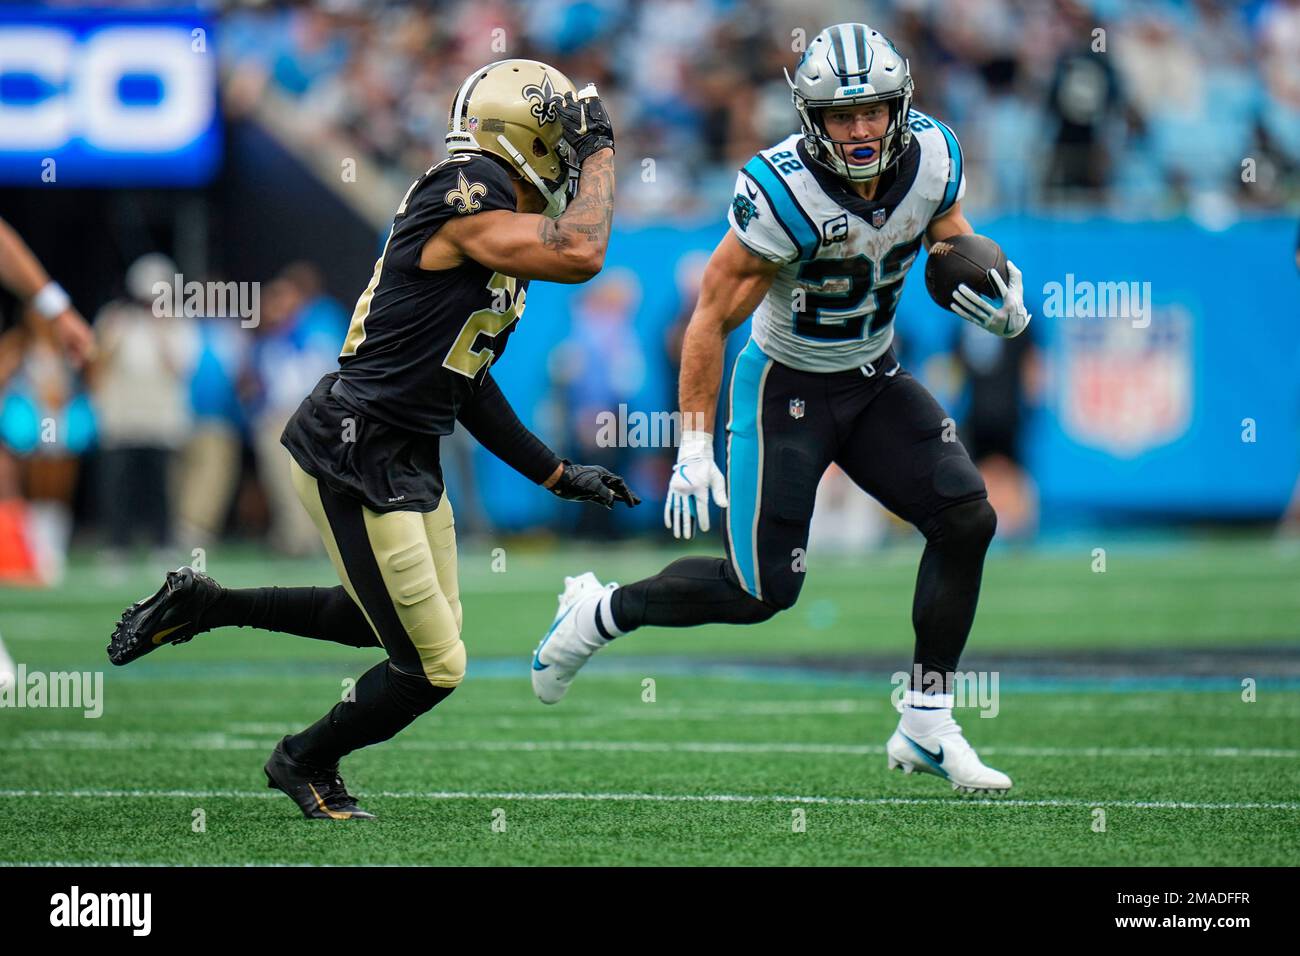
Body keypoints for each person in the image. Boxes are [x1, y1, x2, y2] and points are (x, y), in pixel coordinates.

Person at [107, 60, 637, 820]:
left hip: (406, 452)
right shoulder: (469, 187)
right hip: (356, 451)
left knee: (379, 620)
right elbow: (584, 251)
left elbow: (467, 377)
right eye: (559, 139)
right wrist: (602, 153)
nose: (569, 150)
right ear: (528, 140)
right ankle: (302, 759)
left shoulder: (495, 216)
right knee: (433, 667)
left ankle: (206, 604)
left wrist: (554, 473)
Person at [535, 25, 1031, 795]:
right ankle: (600, 612)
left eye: (872, 112)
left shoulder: (935, 155)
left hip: (872, 375)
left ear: (899, 107)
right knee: (761, 590)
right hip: (786, 387)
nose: (861, 129)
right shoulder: (781, 189)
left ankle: (928, 720)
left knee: (967, 515)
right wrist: (693, 448)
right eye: (841, 115)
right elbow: (707, 320)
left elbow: (950, 238)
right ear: (812, 119)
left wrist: (994, 296)